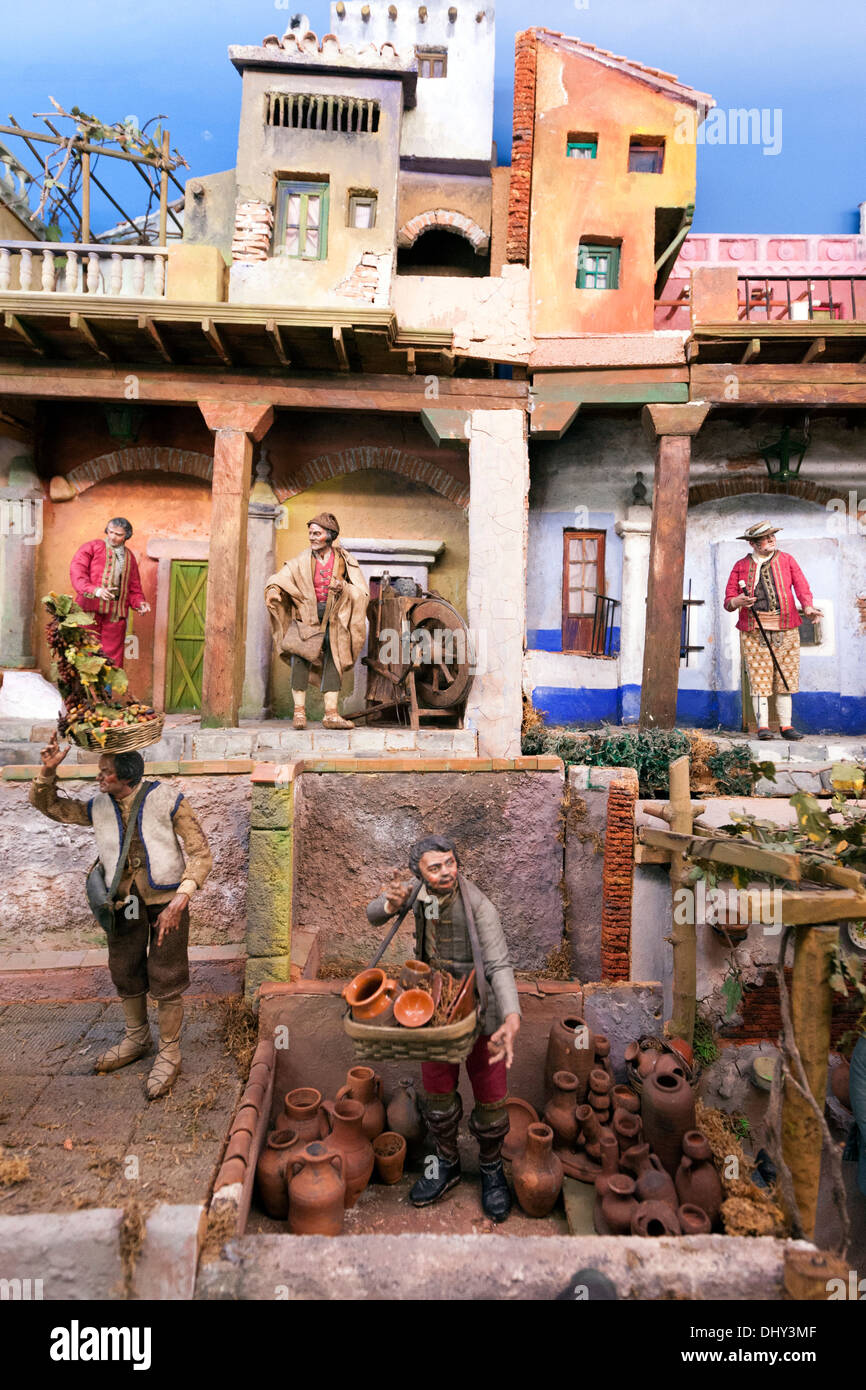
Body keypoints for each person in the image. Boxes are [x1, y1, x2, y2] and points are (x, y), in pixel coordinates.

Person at [29, 733, 212, 1099]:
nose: (100, 778)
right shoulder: (98, 807)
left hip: (166, 901)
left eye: (106, 773)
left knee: (167, 972)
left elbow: (201, 855)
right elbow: (49, 806)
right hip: (123, 902)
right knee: (125, 967)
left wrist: (181, 898)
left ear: (127, 776)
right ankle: (136, 1038)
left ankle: (170, 1050)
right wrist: (48, 772)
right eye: (101, 772)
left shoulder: (167, 800)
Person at [366, 835, 521, 1222]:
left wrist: (511, 1016)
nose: (445, 872)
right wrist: (390, 903)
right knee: (437, 1093)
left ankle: (491, 1169)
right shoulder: (416, 895)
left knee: (491, 1098)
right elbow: (373, 915)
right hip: (432, 1009)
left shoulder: (479, 907)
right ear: (418, 871)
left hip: (478, 1010)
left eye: (450, 863)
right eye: (435, 867)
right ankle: (447, 1162)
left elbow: (499, 965)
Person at [265, 512, 368, 730]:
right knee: (299, 662)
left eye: (317, 533)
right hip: (306, 619)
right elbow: (281, 577)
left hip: (334, 621)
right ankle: (299, 713)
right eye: (310, 533)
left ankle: (331, 714)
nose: (312, 537)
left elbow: (361, 592)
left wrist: (344, 588)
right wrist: (274, 590)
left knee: (334, 663)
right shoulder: (301, 560)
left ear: (330, 536)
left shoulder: (344, 561)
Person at [723, 521, 821, 741]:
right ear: (752, 544)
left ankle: (786, 726)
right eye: (764, 540)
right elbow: (728, 600)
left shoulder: (787, 560)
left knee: (786, 678)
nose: (770, 542)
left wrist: (808, 607)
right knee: (760, 679)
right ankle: (763, 727)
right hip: (754, 630)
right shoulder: (740, 565)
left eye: (772, 538)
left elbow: (801, 586)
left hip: (786, 629)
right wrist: (738, 601)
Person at [69, 518, 150, 668]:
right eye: (110, 532)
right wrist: (96, 590)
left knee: (111, 660)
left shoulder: (129, 557)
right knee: (84, 654)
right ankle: (82, 691)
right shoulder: (91, 547)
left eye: (118, 534)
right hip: (88, 613)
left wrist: (140, 603)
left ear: (126, 536)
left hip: (115, 615)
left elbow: (134, 588)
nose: (112, 537)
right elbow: (77, 573)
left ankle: (105, 692)